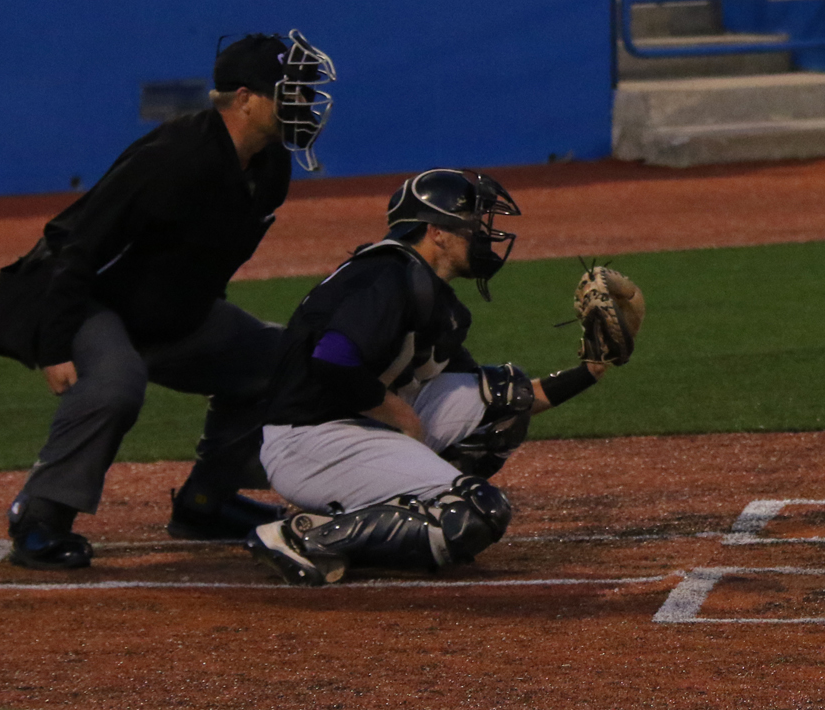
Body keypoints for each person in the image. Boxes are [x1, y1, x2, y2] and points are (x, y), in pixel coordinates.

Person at [0, 31, 335, 571]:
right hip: (75, 298)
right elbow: (78, 246)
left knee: (279, 360)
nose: (304, 106)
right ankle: (40, 519)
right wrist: (56, 346)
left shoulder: (268, 168)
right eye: (291, 93)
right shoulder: (176, 156)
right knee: (116, 380)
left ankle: (205, 502)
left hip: (160, 312)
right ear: (243, 98)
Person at [245, 169, 616, 586]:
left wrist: (591, 370)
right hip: (309, 439)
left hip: (352, 425)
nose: (483, 236)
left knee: (504, 401)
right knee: (473, 516)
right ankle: (304, 538)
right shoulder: (386, 274)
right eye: (474, 226)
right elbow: (333, 360)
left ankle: (375, 522)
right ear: (437, 231)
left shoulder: (432, 295)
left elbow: (501, 401)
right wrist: (403, 418)